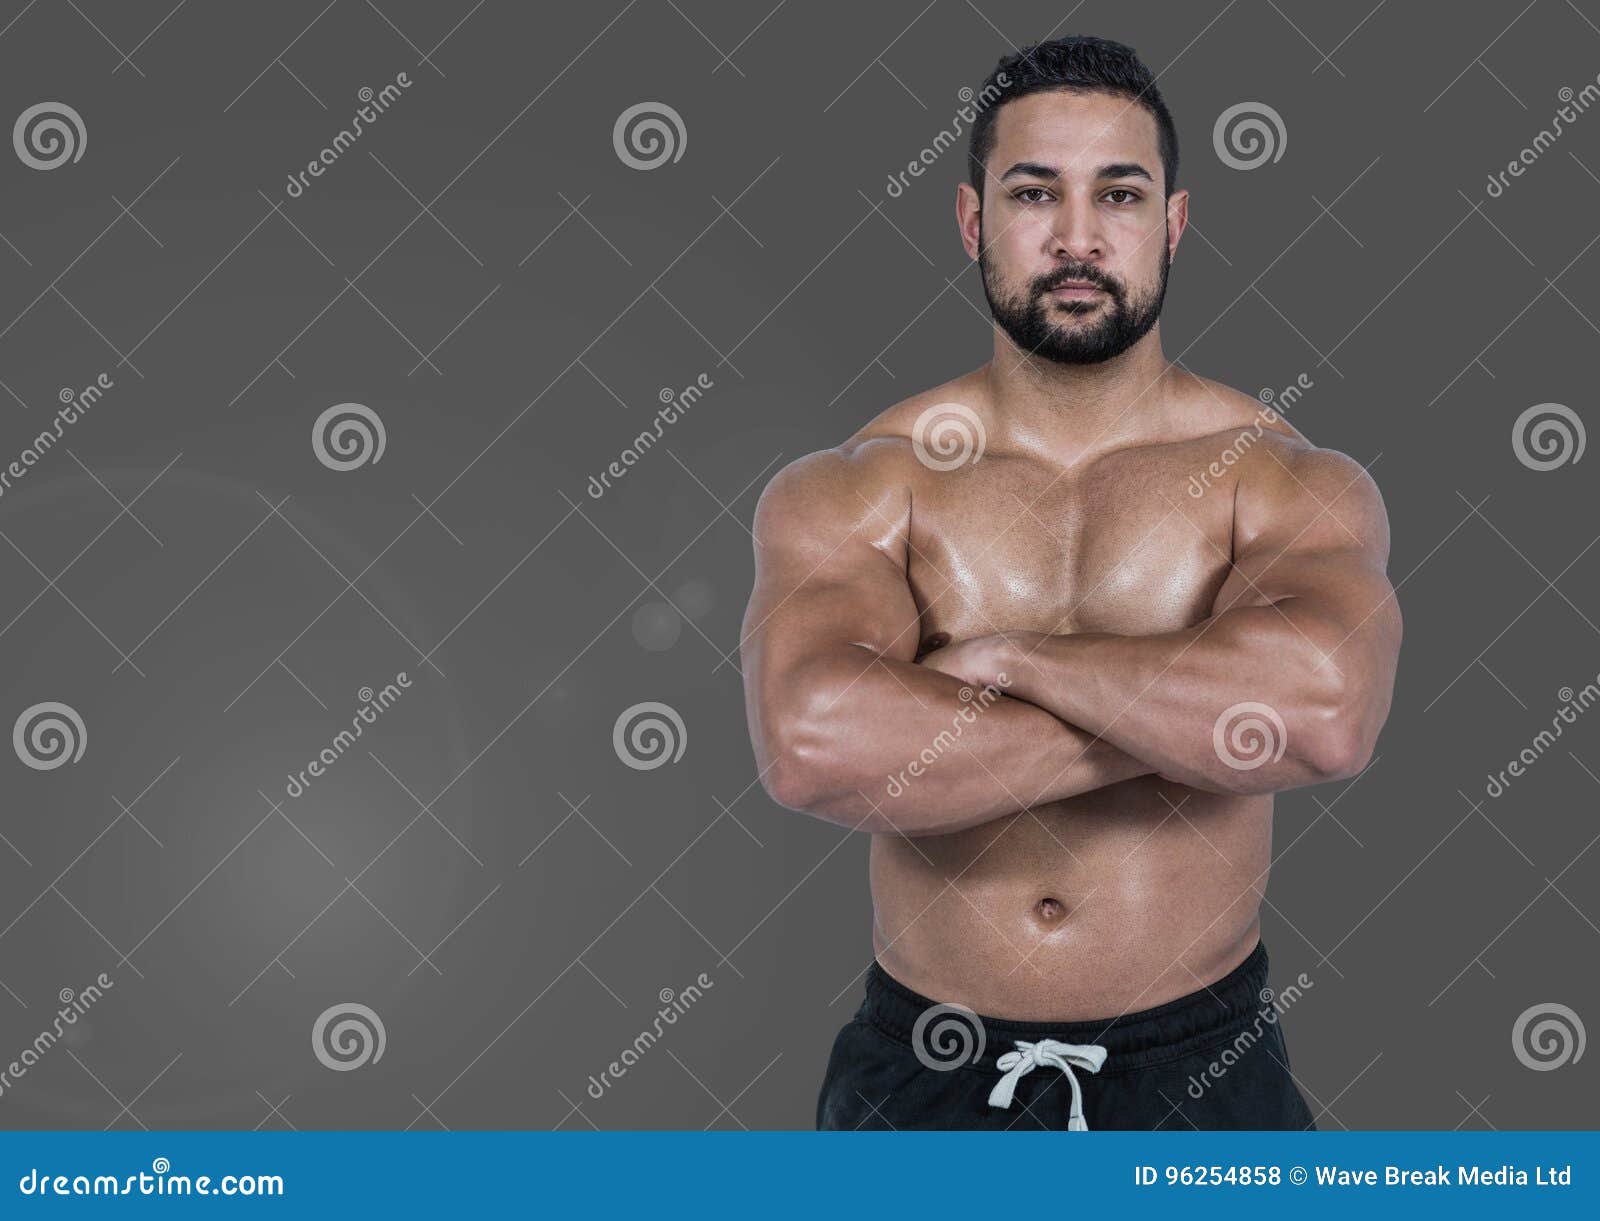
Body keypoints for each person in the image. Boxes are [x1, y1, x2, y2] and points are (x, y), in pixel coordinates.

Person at [739, 35, 1401, 1130]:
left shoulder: (1284, 479)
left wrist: (1006, 659)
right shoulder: (860, 484)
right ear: (972, 220)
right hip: (925, 1070)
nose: (1079, 237)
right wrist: (1184, 726)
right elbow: (816, 747)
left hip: (1200, 1070)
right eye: (1035, 192)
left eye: (1121, 195)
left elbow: (1322, 716)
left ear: (1172, 225)